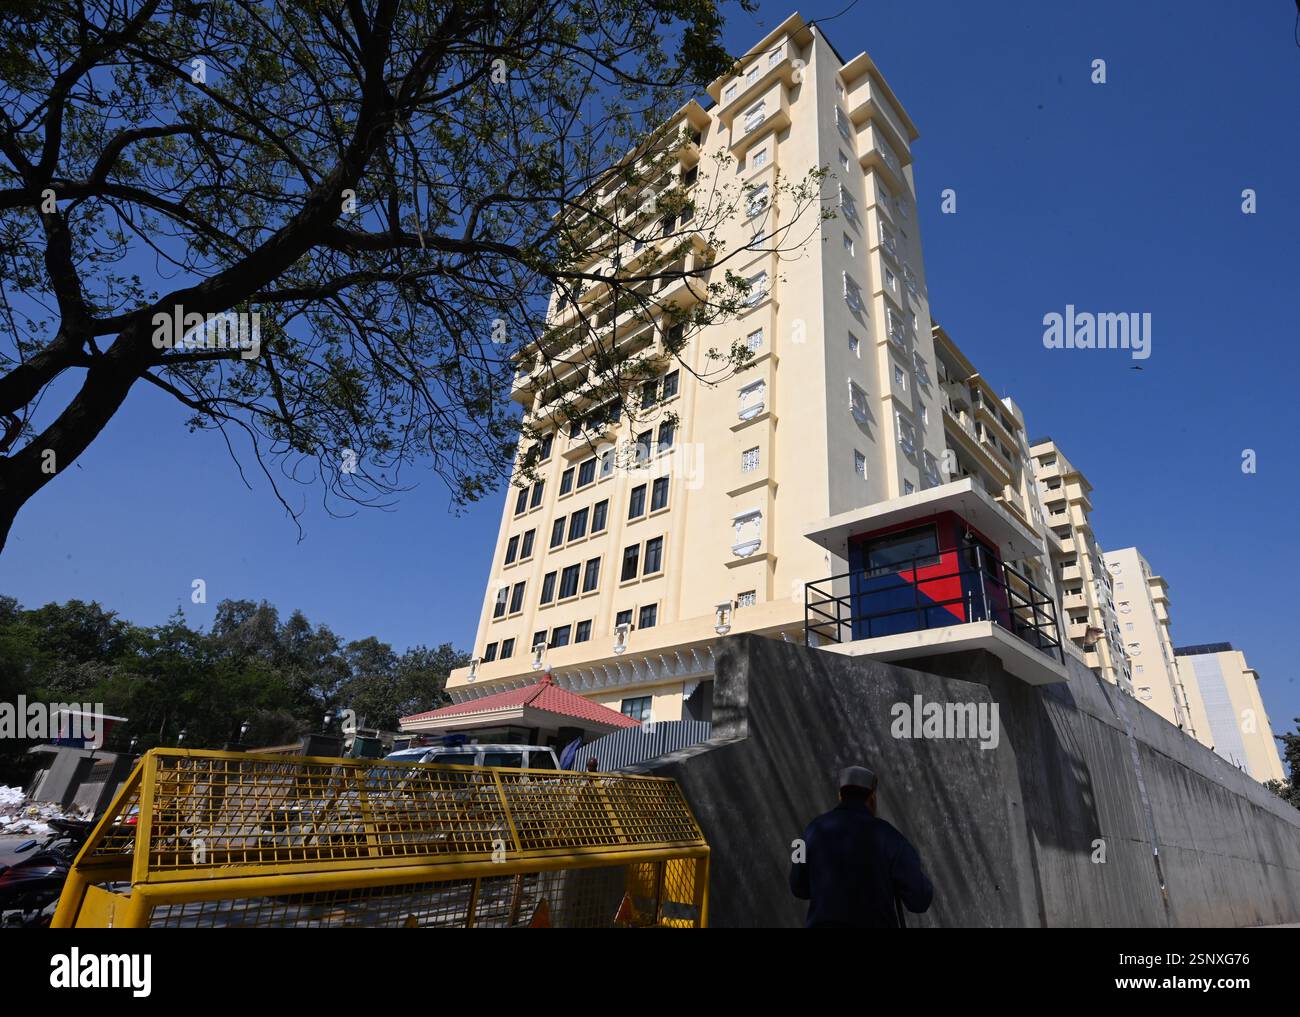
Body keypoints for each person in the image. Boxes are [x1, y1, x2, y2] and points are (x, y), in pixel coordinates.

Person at [789, 765, 933, 928]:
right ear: (872, 798)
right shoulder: (889, 837)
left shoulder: (811, 832)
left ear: (840, 796)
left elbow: (797, 886)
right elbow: (920, 899)